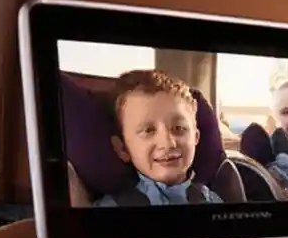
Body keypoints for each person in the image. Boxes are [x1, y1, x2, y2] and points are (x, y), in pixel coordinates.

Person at [95, 70, 222, 207]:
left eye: (179, 128)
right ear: (123, 149)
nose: (168, 143)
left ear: (196, 137)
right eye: (148, 130)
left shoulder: (212, 200)